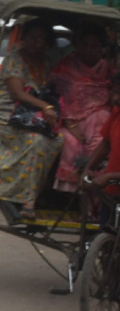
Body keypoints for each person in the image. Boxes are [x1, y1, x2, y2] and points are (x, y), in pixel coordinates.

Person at [0, 19, 63, 220]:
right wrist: (46, 107)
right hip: (7, 114)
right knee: (36, 141)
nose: (37, 42)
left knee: (60, 140)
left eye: (42, 39)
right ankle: (28, 200)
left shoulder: (46, 62)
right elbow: (17, 93)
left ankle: (42, 193)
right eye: (33, 38)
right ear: (24, 39)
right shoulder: (14, 59)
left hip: (35, 115)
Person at [50, 24, 114, 192]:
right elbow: (54, 99)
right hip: (67, 121)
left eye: (94, 46)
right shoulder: (65, 67)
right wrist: (69, 123)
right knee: (70, 144)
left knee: (100, 145)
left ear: (102, 48)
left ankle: (94, 193)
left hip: (101, 121)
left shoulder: (109, 70)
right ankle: (69, 193)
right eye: (84, 45)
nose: (89, 50)